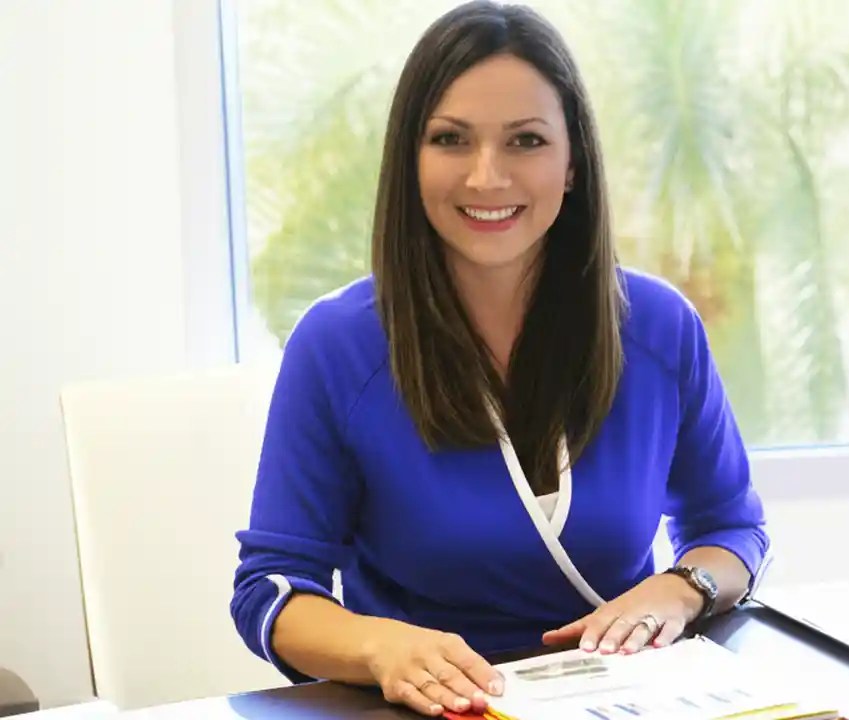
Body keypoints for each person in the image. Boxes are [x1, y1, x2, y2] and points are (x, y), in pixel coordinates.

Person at [229, 1, 770, 717]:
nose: (487, 177)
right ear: (410, 159)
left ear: (572, 163)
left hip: (625, 700)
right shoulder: (338, 344)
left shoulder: (660, 326)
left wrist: (681, 589)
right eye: (451, 139)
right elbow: (272, 590)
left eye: (526, 141)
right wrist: (380, 648)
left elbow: (731, 529)